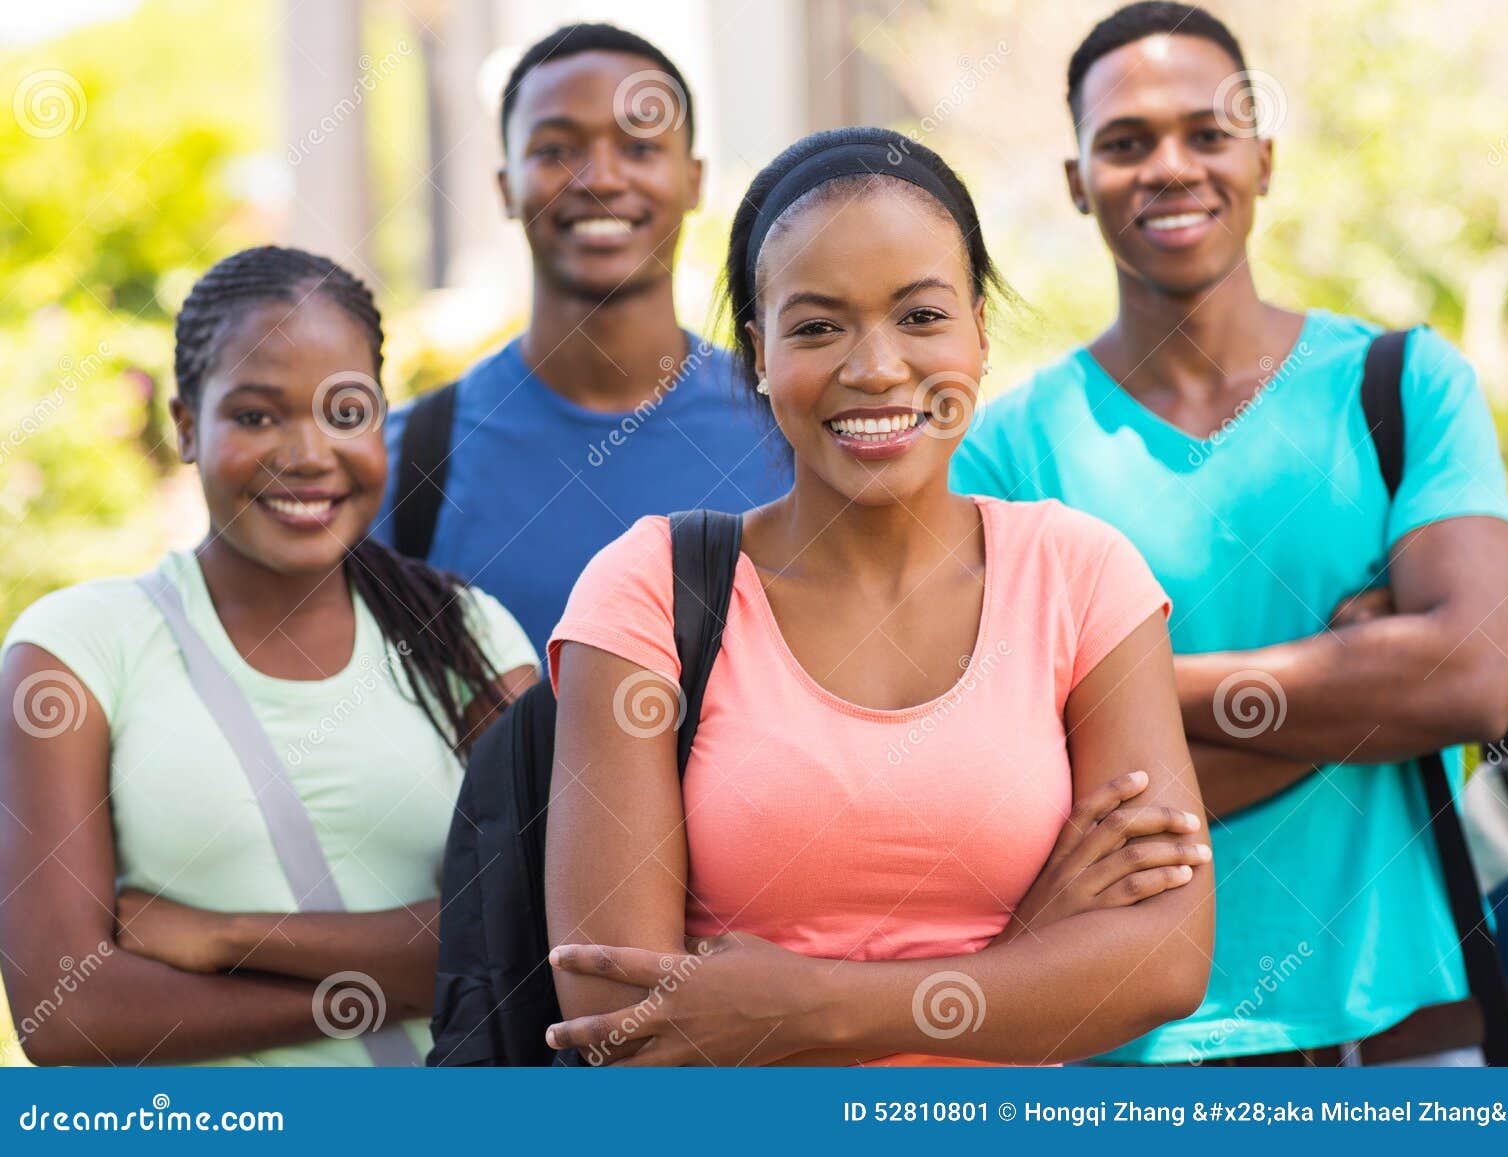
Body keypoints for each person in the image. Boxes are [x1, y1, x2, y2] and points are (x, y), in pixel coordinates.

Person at [537, 127, 1215, 1067]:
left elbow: (1164, 960)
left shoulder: (1082, 575)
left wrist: (808, 1003)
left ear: (979, 329)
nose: (877, 367)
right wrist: (1027, 959)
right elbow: (620, 1020)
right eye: (817, 326)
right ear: (759, 354)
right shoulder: (649, 590)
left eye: (921, 316)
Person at [952, 2, 1508, 1065]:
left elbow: (1468, 680)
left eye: (1205, 134)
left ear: (1262, 159)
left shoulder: (1398, 388)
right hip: (1128, 1054)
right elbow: (1015, 785)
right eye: (1125, 142)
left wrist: (1118, 693)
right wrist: (1356, 673)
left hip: (1409, 1033)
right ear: (1077, 180)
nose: (1170, 166)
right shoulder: (1002, 454)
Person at [0, 246, 540, 1066]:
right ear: (186, 426)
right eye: (256, 416)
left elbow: (534, 935)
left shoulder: (469, 635)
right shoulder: (75, 649)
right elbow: (69, 1015)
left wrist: (227, 937)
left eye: (346, 413)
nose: (308, 453)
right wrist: (424, 968)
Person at [376, 23, 790, 650]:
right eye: (555, 150)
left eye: (641, 147)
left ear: (694, 180)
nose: (598, 177)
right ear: (505, 187)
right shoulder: (408, 463)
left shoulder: (791, 430)